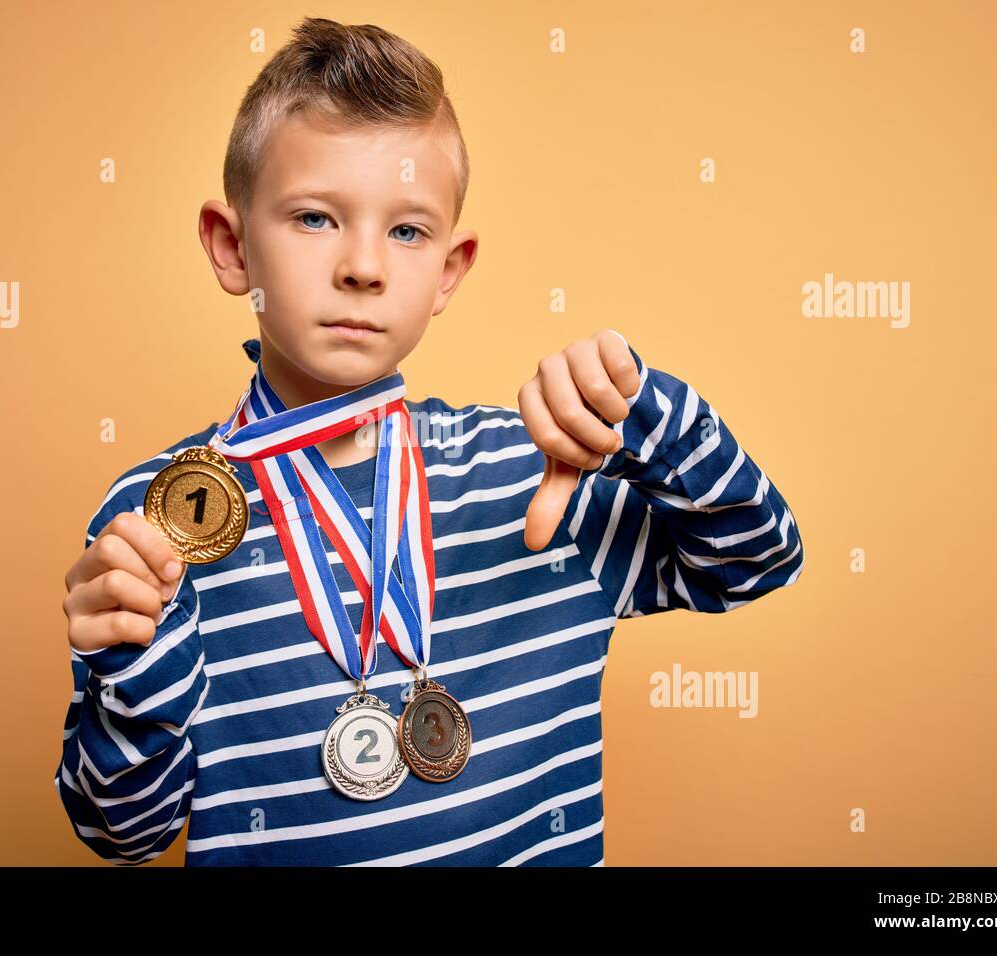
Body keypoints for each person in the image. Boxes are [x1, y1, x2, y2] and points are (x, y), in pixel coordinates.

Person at [55, 16, 804, 866]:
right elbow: (124, 836)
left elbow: (756, 560)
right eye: (313, 218)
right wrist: (131, 665)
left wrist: (642, 414)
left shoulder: (535, 470)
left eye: (407, 230)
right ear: (232, 248)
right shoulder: (159, 524)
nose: (364, 266)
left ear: (449, 270)